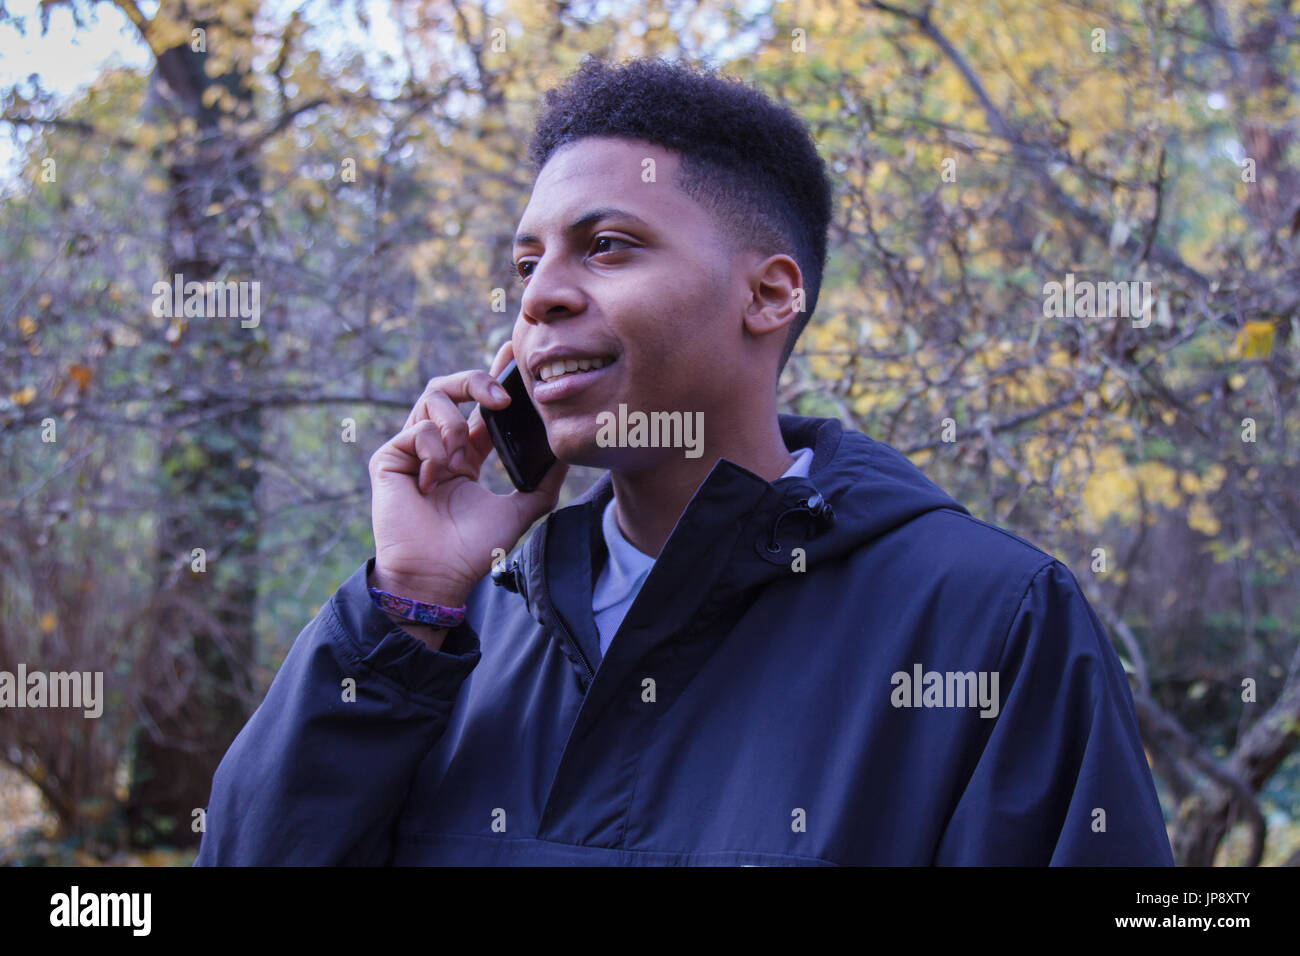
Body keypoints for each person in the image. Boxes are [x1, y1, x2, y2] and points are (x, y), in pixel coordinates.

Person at [195, 56, 1174, 866]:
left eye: (607, 247)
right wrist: (406, 604)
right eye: (526, 265)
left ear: (770, 294)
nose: (539, 297)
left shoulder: (987, 622)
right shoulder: (450, 631)